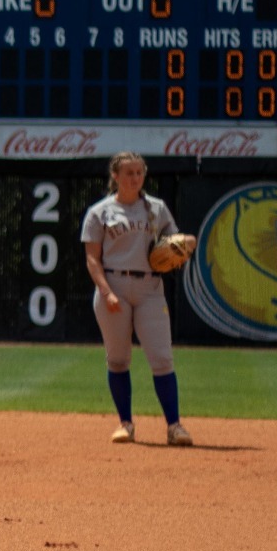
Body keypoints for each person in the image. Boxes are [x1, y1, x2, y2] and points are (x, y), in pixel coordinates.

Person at [80, 151, 192, 446]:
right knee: (118, 359)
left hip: (149, 287)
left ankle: (175, 427)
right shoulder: (99, 212)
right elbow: (92, 259)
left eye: (139, 172)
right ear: (115, 176)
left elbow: (177, 243)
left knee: (162, 357)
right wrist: (106, 292)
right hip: (113, 283)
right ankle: (125, 424)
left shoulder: (157, 209)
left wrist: (182, 250)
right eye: (128, 173)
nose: (135, 178)